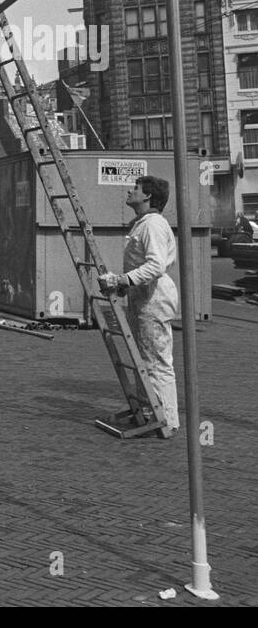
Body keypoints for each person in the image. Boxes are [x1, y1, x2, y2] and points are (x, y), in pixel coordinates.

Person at [98, 175, 180, 438]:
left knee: (156, 360)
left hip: (154, 298)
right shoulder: (143, 224)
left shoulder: (153, 225)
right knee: (144, 360)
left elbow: (156, 265)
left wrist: (122, 280)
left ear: (147, 196)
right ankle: (150, 414)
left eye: (136, 188)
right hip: (143, 297)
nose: (130, 191)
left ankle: (166, 420)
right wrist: (126, 285)